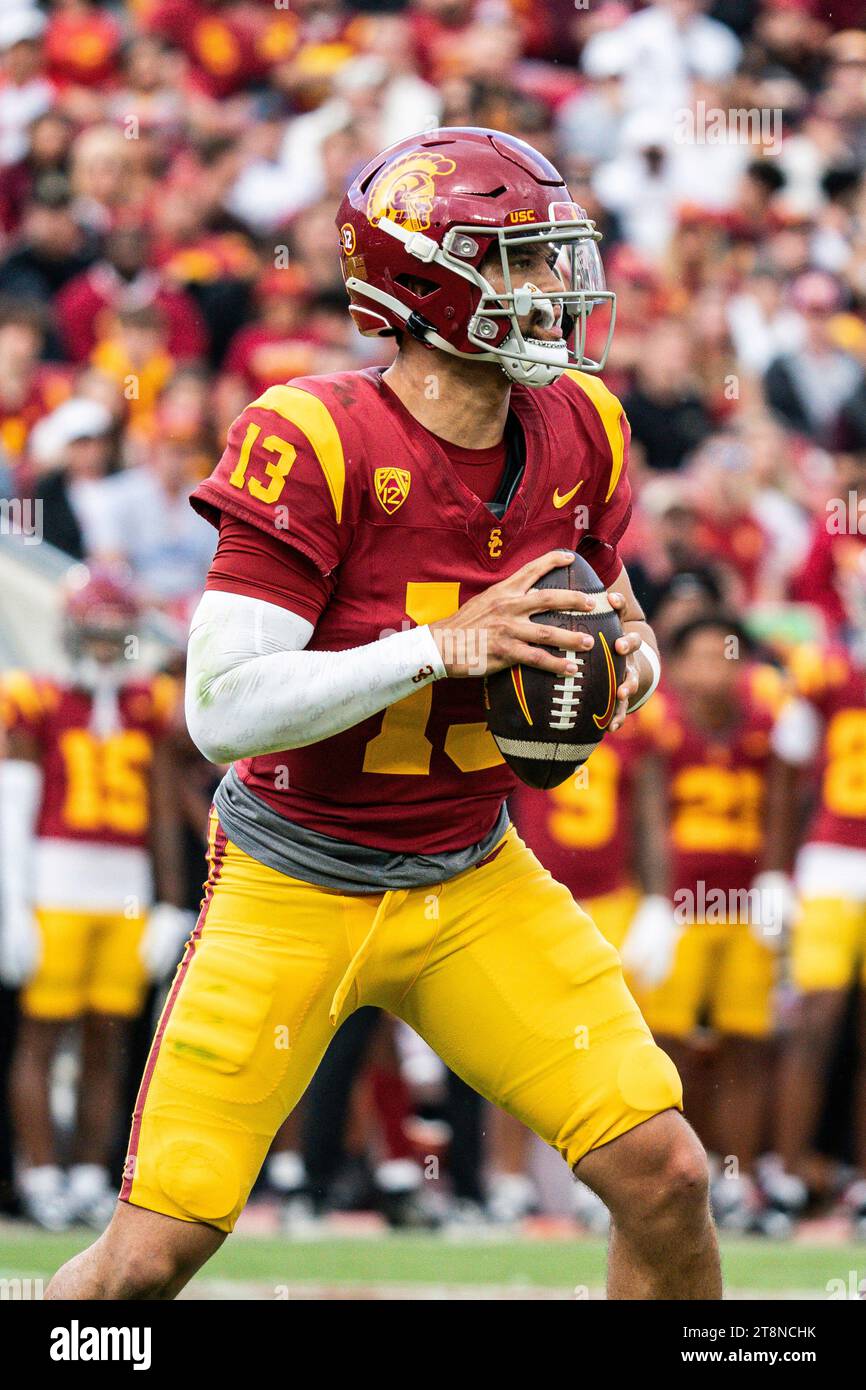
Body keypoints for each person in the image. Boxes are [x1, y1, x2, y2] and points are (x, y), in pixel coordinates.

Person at [47, 128, 719, 1301]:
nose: (550, 289)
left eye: (548, 258)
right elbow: (219, 708)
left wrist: (625, 670)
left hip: (470, 873)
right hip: (291, 880)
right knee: (145, 1266)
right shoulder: (312, 434)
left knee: (663, 1175)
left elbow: (621, 618)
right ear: (421, 284)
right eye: (512, 261)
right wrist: (439, 646)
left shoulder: (584, 428)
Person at [0, 568, 191, 1229]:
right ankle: (42, 1172)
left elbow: (164, 812)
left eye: (117, 631)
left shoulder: (147, 704)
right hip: (55, 886)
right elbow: (13, 809)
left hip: (126, 892)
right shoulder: (38, 699)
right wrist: (13, 904)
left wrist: (171, 900)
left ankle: (86, 1173)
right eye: (98, 630)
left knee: (109, 1041)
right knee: (42, 1037)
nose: (108, 644)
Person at [632, 614, 797, 1232]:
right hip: (682, 909)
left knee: (747, 1044)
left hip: (743, 906)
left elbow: (782, 802)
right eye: (698, 657)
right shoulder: (662, 725)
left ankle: (741, 1178)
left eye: (724, 657)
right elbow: (647, 815)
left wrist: (776, 877)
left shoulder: (764, 725)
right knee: (668, 1047)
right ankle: (680, 1170)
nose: (712, 670)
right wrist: (654, 898)